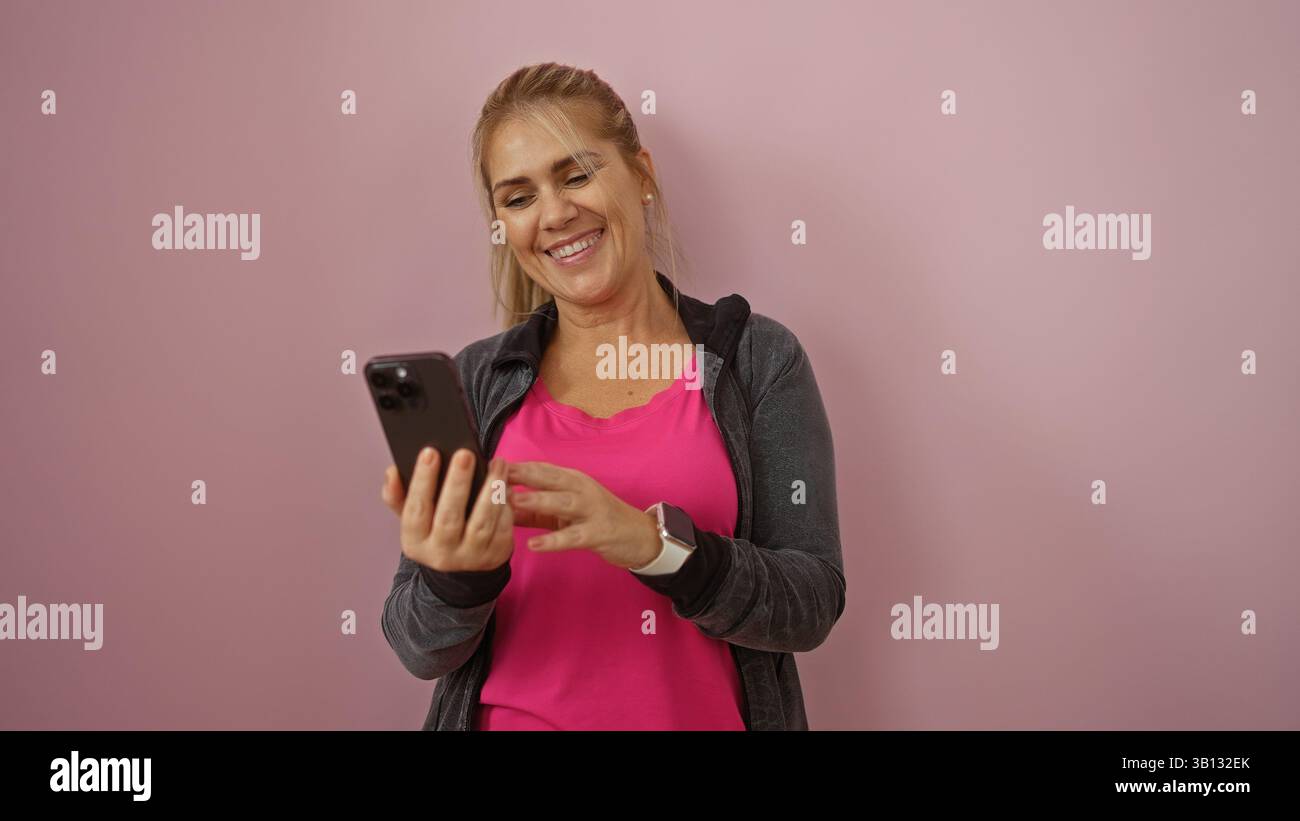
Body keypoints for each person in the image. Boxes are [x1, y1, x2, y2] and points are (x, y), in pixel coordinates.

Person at [379, 62, 845, 730]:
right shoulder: (477, 380)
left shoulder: (758, 359)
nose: (554, 213)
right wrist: (459, 576)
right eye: (518, 197)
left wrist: (655, 544)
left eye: (576, 174)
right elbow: (415, 644)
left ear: (642, 174)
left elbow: (811, 602)